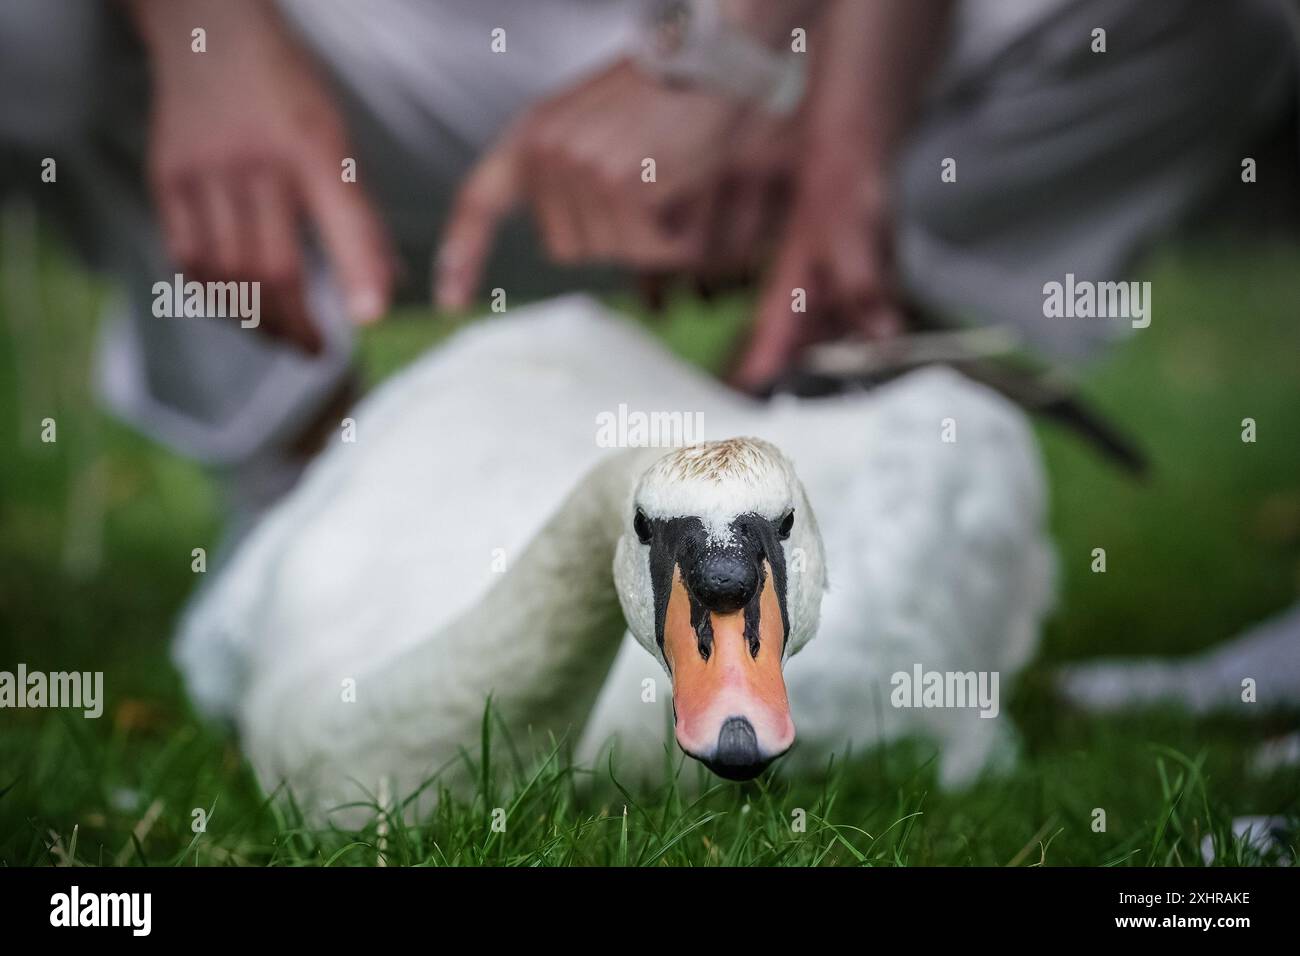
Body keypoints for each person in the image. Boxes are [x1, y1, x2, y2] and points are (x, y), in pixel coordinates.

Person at [1, 0, 1295, 532]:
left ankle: (831, 415)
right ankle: (300, 512)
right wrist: (205, 34)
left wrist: (776, 70)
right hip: (356, 45)